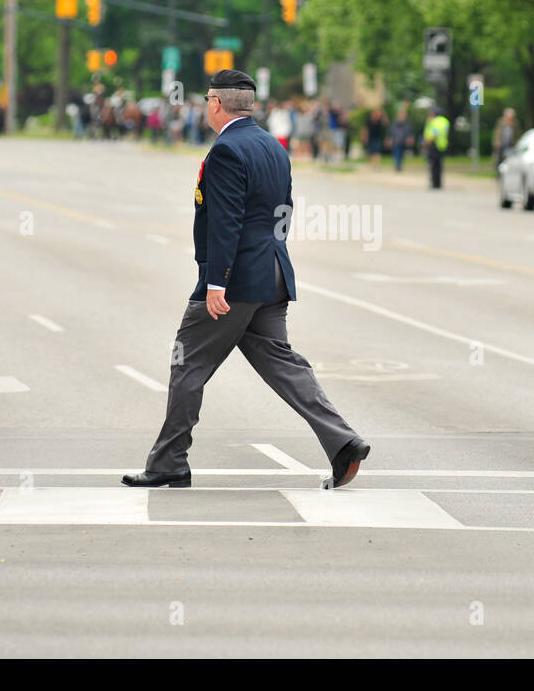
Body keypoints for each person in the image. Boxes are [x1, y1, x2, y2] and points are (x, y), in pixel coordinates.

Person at [123, 69, 371, 490]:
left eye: (206, 100)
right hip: (271, 274)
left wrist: (217, 282)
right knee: (282, 365)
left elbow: (225, 221)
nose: (204, 106)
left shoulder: (226, 151)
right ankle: (342, 440)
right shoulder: (273, 147)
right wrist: (271, 259)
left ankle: (169, 463)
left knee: (188, 363)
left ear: (217, 104)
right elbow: (283, 213)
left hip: (233, 283)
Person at [423, 106, 450, 189]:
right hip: (442, 145)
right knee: (439, 165)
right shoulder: (445, 121)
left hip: (434, 145)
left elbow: (434, 133)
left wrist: (427, 142)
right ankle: (439, 183)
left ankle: (435, 184)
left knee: (433, 165)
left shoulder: (434, 121)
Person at [390, 105, 413, 172]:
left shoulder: (407, 123)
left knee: (401, 154)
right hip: (396, 140)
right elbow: (391, 131)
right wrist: (390, 139)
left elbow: (410, 131)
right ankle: (397, 166)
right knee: (397, 153)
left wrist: (410, 138)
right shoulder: (395, 122)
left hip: (404, 141)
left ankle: (399, 165)